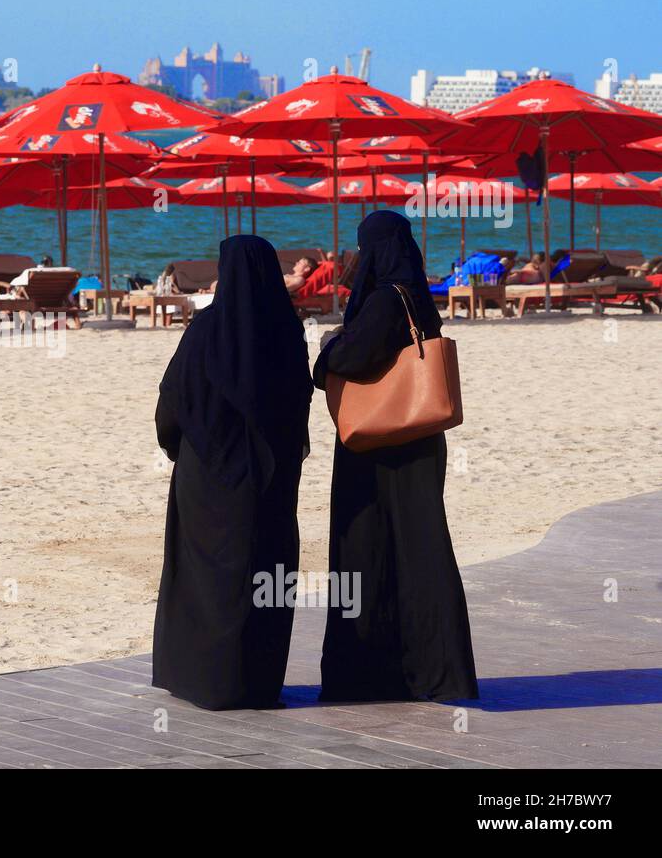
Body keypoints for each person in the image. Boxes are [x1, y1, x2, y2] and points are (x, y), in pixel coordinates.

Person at [311, 210, 478, 702]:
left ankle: (372, 672)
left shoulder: (385, 301)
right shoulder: (416, 296)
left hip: (378, 445)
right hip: (419, 439)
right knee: (421, 546)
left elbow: (349, 361)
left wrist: (327, 349)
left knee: (369, 550)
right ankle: (437, 669)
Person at [152, 236, 314, 710]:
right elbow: (299, 404)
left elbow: (174, 401)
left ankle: (205, 680)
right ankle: (257, 681)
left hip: (208, 476)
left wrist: (176, 447)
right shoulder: (285, 331)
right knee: (267, 572)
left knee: (208, 576)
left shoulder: (205, 332)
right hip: (272, 478)